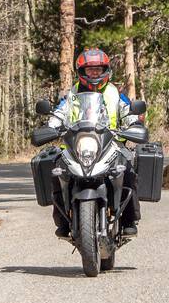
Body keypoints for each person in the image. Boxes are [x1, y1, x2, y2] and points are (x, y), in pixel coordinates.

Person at [47, 48, 142, 238]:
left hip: (111, 144)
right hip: (76, 145)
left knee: (128, 170)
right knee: (56, 173)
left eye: (98, 70)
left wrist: (134, 123)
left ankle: (129, 219)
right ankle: (63, 221)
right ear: (82, 72)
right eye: (90, 70)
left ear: (105, 70)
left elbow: (127, 111)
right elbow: (59, 112)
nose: (94, 74)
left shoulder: (115, 93)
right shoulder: (72, 94)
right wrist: (51, 126)